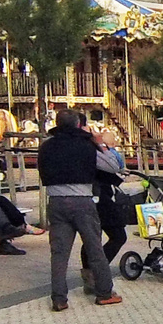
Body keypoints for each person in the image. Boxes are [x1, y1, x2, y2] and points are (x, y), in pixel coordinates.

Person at [38, 110, 121, 311]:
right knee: (95, 248)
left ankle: (59, 298)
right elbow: (112, 166)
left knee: (59, 253)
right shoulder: (86, 145)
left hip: (56, 201)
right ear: (77, 125)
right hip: (82, 201)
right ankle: (104, 293)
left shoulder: (46, 146)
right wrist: (99, 143)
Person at [91, 126, 130, 269]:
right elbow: (113, 166)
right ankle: (98, 270)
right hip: (100, 196)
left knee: (93, 240)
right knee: (117, 236)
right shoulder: (94, 149)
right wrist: (101, 145)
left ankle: (92, 272)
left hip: (94, 195)